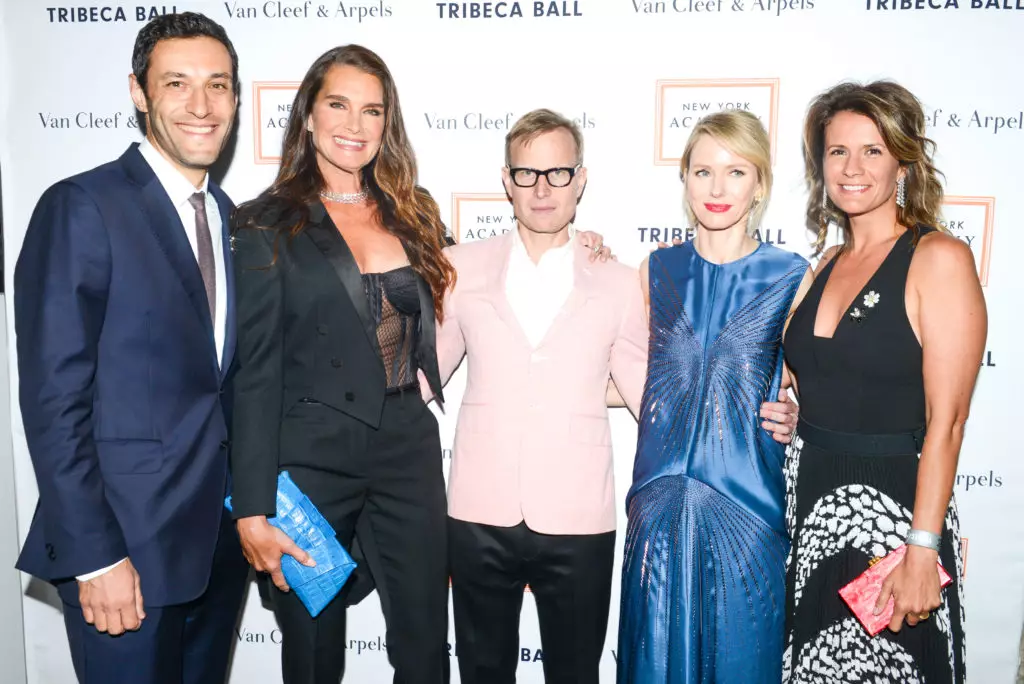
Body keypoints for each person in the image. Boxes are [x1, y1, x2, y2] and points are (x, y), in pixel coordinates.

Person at [432, 109, 799, 684]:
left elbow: (652, 389)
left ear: (580, 179)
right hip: (477, 510)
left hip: (582, 515)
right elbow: (422, 374)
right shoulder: (458, 267)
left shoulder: (623, 279)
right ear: (506, 181)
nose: (543, 188)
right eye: (527, 174)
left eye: (558, 173)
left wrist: (789, 402)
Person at [14, 12, 249, 684]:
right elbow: (54, 401)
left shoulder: (233, 221)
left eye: (218, 85)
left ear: (237, 97)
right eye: (177, 84)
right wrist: (95, 557)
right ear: (139, 93)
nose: (201, 106)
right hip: (125, 558)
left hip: (215, 554)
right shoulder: (83, 207)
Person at [228, 44, 457, 684]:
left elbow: (483, 284)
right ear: (307, 115)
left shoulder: (417, 212)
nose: (354, 125)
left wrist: (574, 244)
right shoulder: (266, 222)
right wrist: (252, 507)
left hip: (408, 449)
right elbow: (255, 373)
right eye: (338, 105)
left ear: (388, 125)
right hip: (309, 459)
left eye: (372, 111)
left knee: (423, 645)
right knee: (312, 650)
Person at [782, 81, 982, 683]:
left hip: (893, 515)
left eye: (872, 150)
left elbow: (946, 421)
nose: (852, 168)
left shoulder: (937, 257)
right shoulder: (822, 264)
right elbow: (820, 379)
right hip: (809, 508)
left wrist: (922, 547)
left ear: (902, 160)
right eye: (837, 151)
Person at [615, 110, 812, 683]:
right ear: (684, 180)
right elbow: (615, 367)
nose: (718, 188)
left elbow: (824, 381)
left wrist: (799, 412)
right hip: (659, 516)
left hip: (748, 515)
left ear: (761, 184)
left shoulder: (792, 275)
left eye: (736, 171)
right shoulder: (653, 270)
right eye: (703, 171)